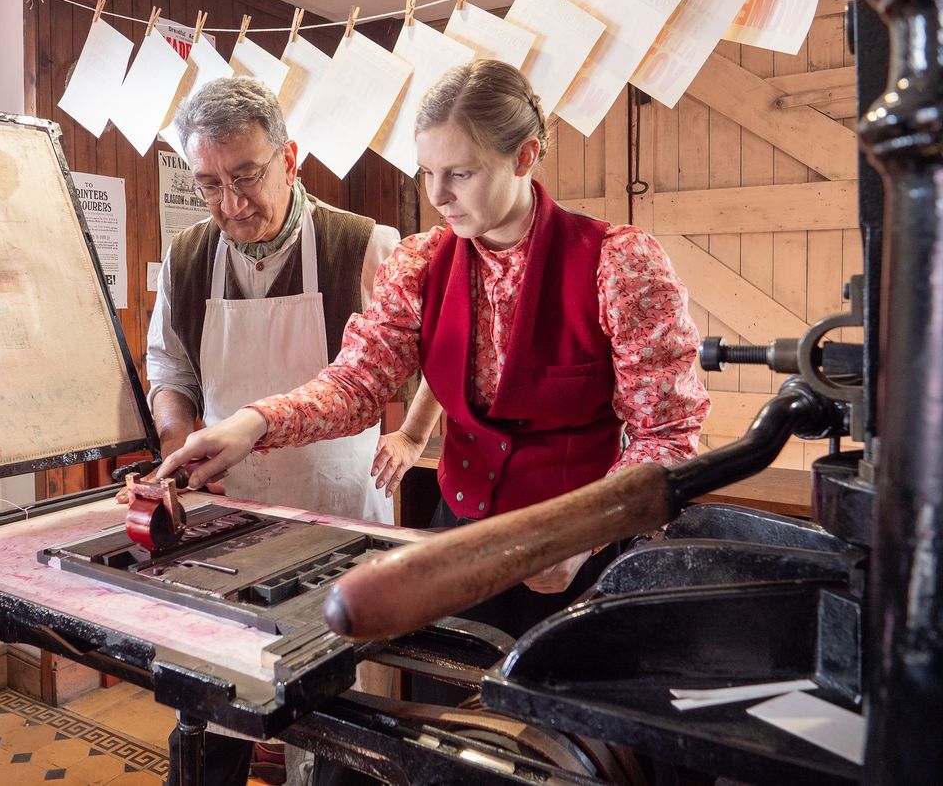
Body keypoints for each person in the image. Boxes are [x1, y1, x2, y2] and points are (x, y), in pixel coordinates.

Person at [156, 59, 710, 639]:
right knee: (443, 708)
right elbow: (358, 383)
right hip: (457, 541)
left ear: (524, 156)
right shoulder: (420, 264)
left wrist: (581, 530)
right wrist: (253, 423)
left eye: (460, 173)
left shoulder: (618, 264)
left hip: (583, 554)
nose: (438, 195)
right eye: (426, 172)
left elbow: (667, 434)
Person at [139, 76, 400, 786]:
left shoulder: (365, 246)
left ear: (291, 158)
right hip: (232, 523)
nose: (230, 204)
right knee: (220, 703)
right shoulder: (190, 257)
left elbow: (407, 368)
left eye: (247, 176)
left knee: (337, 730)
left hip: (340, 515)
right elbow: (170, 365)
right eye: (209, 185)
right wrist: (175, 443)